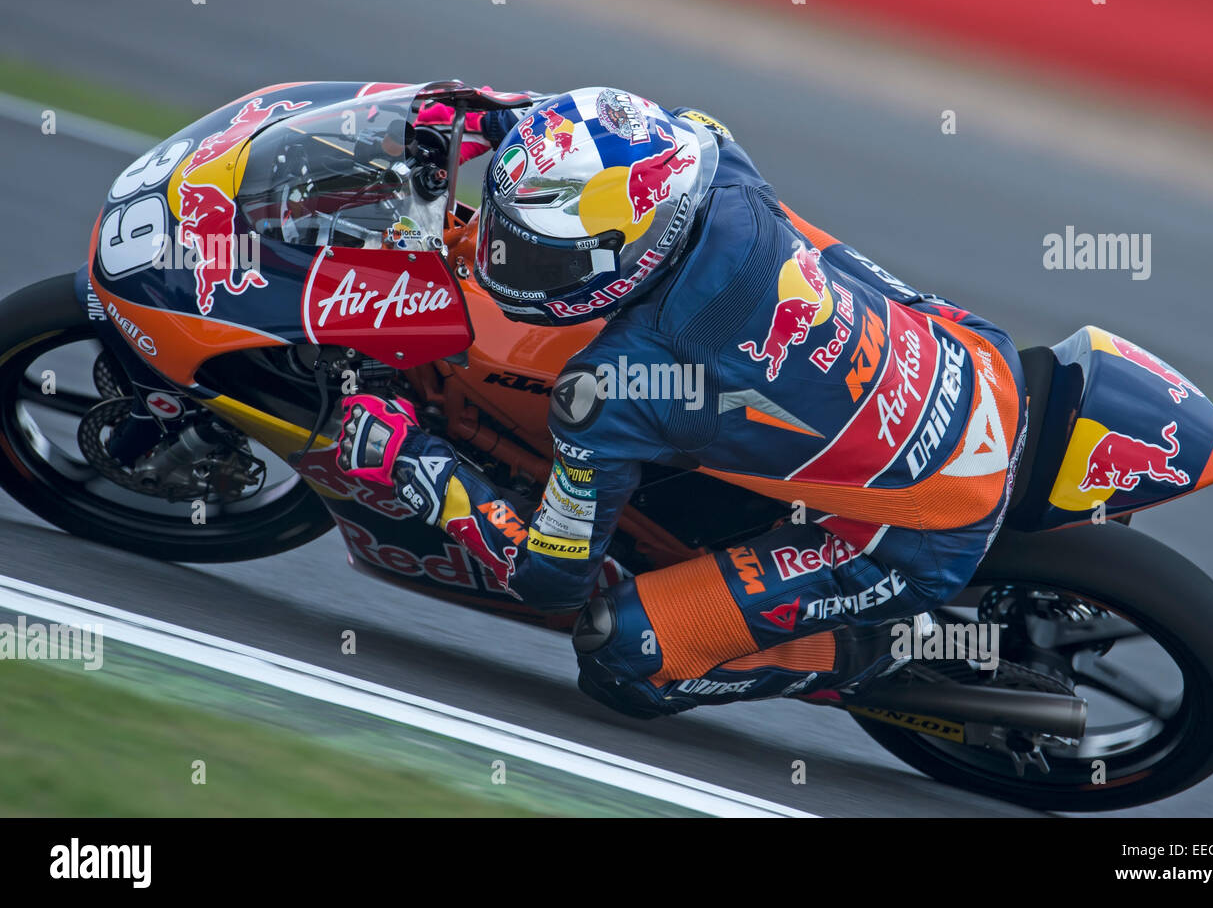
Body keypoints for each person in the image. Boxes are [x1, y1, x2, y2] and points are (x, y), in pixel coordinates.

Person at [336, 87, 1028, 718]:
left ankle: (881, 650)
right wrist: (488, 120)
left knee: (621, 652)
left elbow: (551, 578)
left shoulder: (614, 389)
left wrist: (414, 463)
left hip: (917, 533)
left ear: (623, 256)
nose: (499, 255)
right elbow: (602, 139)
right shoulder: (712, 152)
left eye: (538, 258)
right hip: (980, 359)